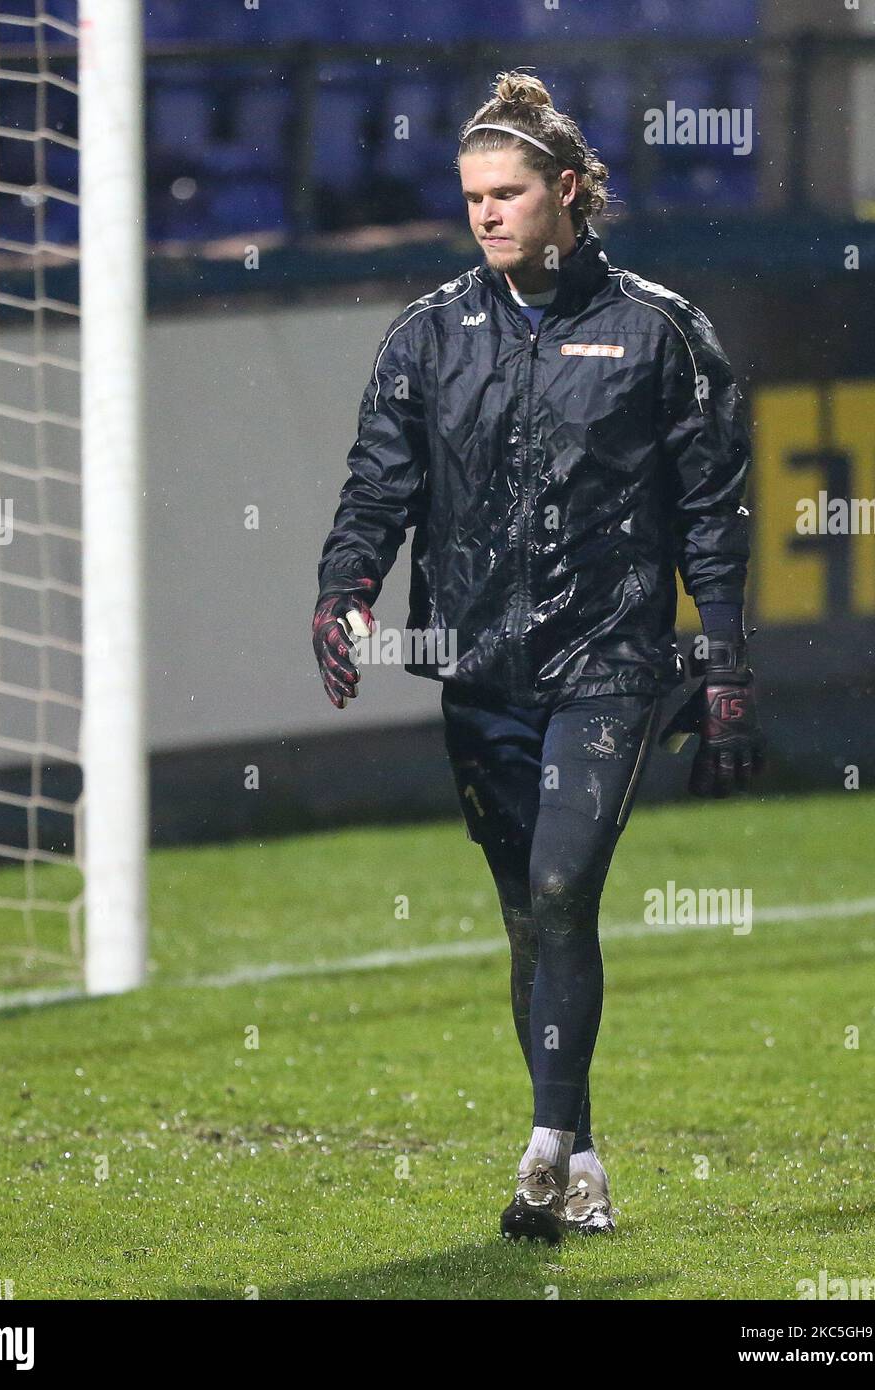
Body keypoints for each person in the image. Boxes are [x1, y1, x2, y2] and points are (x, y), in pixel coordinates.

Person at [313, 70, 766, 1244]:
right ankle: (583, 1157)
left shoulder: (659, 330)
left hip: (611, 659)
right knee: (530, 917)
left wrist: (720, 666)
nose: (484, 214)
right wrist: (341, 589)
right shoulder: (428, 334)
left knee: (566, 886)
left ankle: (543, 1144)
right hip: (480, 670)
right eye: (469, 197)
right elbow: (379, 485)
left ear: (567, 191)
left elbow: (710, 510)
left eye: (506, 193)